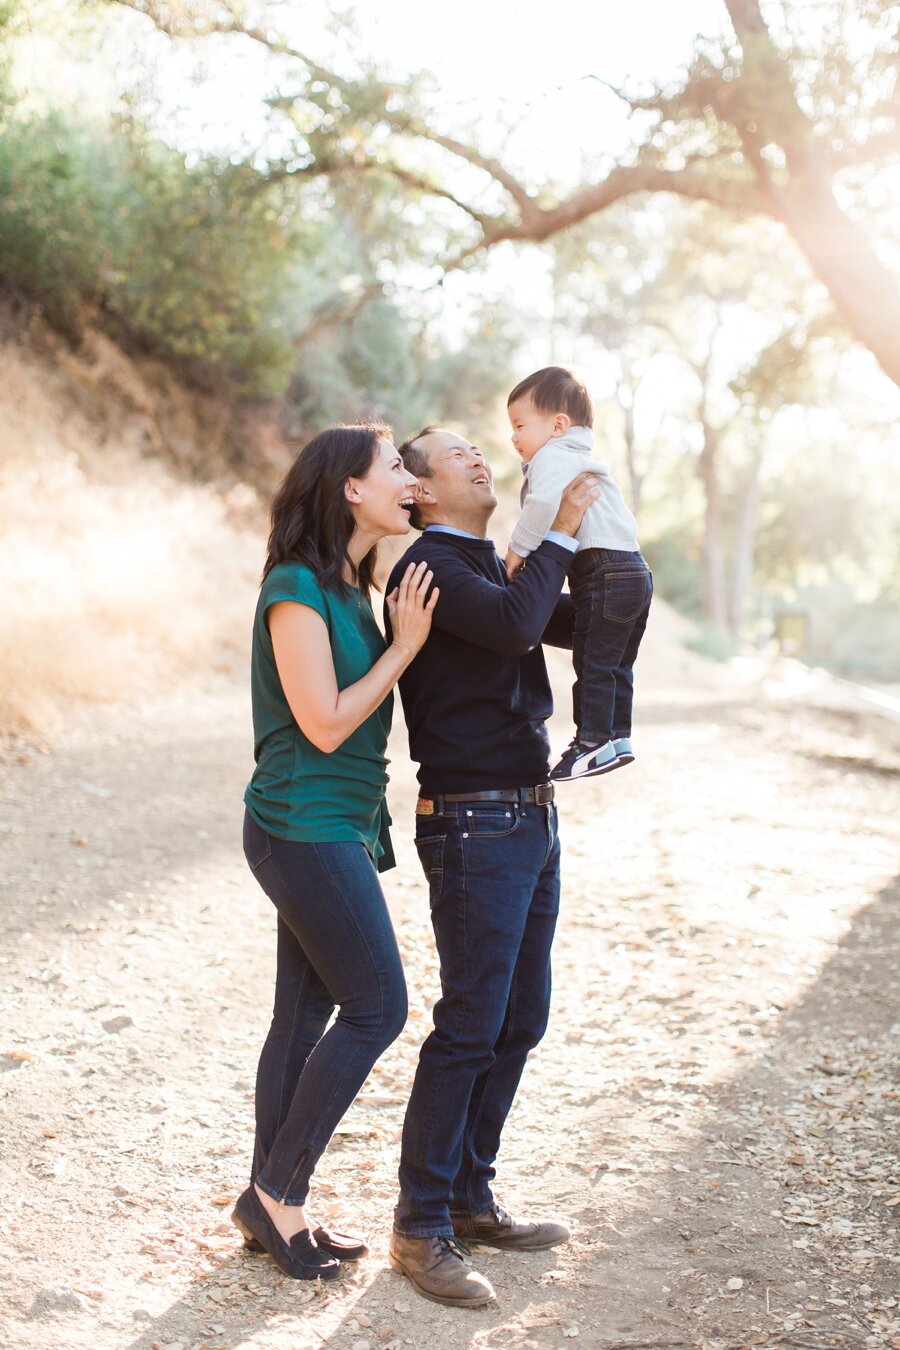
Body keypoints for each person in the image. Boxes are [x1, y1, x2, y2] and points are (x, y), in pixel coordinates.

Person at [383, 425, 601, 1308]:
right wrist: (551, 531)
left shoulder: (485, 563)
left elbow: (576, 622)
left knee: (522, 1016)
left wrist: (596, 537)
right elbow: (518, 627)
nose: (480, 458)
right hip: (474, 823)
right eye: (457, 454)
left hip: (529, 813)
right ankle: (420, 1223)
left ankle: (470, 1199)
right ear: (424, 491)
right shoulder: (428, 569)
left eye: (483, 448)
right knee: (472, 1020)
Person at [232, 423, 438, 1281]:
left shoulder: (354, 588)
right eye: (396, 467)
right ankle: (281, 1192)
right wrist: (402, 650)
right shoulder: (295, 589)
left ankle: (268, 1203)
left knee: (301, 1018)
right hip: (298, 825)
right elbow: (321, 721)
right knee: (378, 1007)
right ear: (350, 488)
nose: (410, 480)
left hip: (334, 826)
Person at [505, 366, 653, 782]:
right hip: (635, 571)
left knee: (593, 661)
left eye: (519, 425)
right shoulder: (582, 458)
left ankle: (589, 744)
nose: (513, 437)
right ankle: (617, 737)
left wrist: (520, 548)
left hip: (602, 570)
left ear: (557, 425)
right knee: (616, 663)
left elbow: (542, 504)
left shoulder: (554, 456)